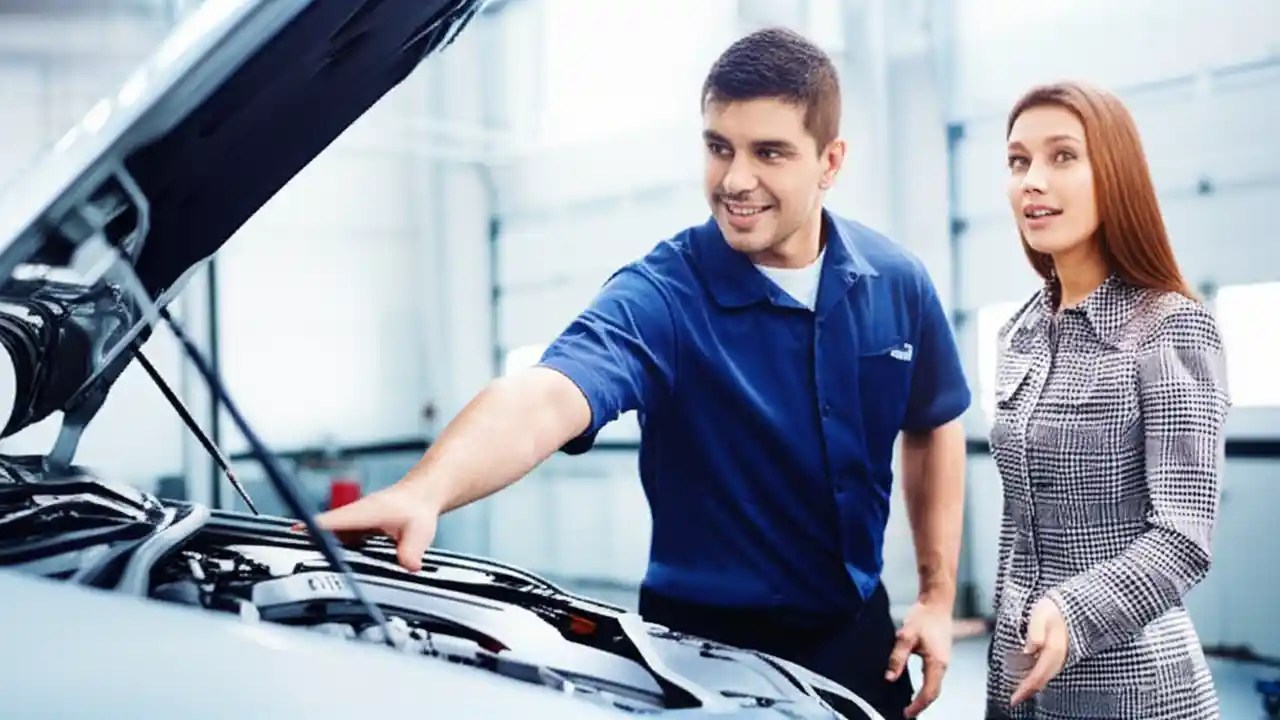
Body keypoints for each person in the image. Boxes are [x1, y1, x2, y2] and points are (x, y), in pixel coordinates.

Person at [312, 27, 971, 719]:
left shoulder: (897, 282)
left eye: (769, 152)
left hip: (855, 636)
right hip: (699, 649)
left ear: (830, 161)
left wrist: (934, 594)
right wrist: (427, 490)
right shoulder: (664, 294)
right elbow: (547, 395)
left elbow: (931, 423)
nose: (735, 180)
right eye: (719, 147)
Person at [985, 80, 1231, 718]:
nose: (1032, 181)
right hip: (1023, 683)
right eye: (1019, 161)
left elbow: (1184, 536)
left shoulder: (1171, 326)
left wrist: (1071, 609)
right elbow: (1020, 536)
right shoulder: (1019, 334)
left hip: (1137, 692)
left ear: (1114, 176)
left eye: (1062, 156)